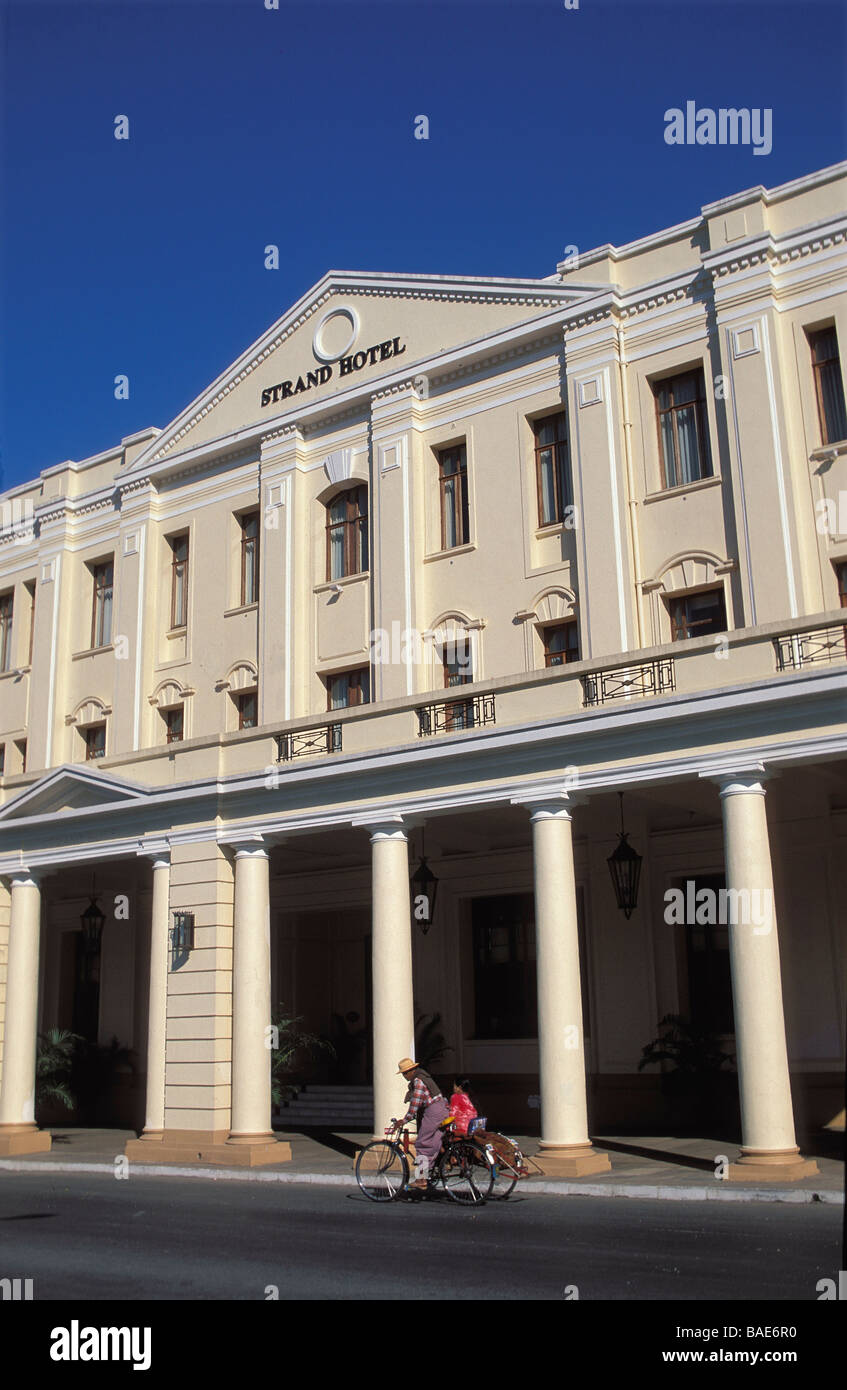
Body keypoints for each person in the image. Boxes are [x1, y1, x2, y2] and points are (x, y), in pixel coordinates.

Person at [393, 1056, 450, 1190]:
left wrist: (404, 1120)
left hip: (434, 1111)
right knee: (434, 1142)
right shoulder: (424, 1076)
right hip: (442, 1108)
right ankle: (429, 1171)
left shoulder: (418, 1081)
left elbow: (415, 1105)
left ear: (410, 1071)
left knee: (421, 1143)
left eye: (404, 1074)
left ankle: (421, 1179)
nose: (404, 1077)